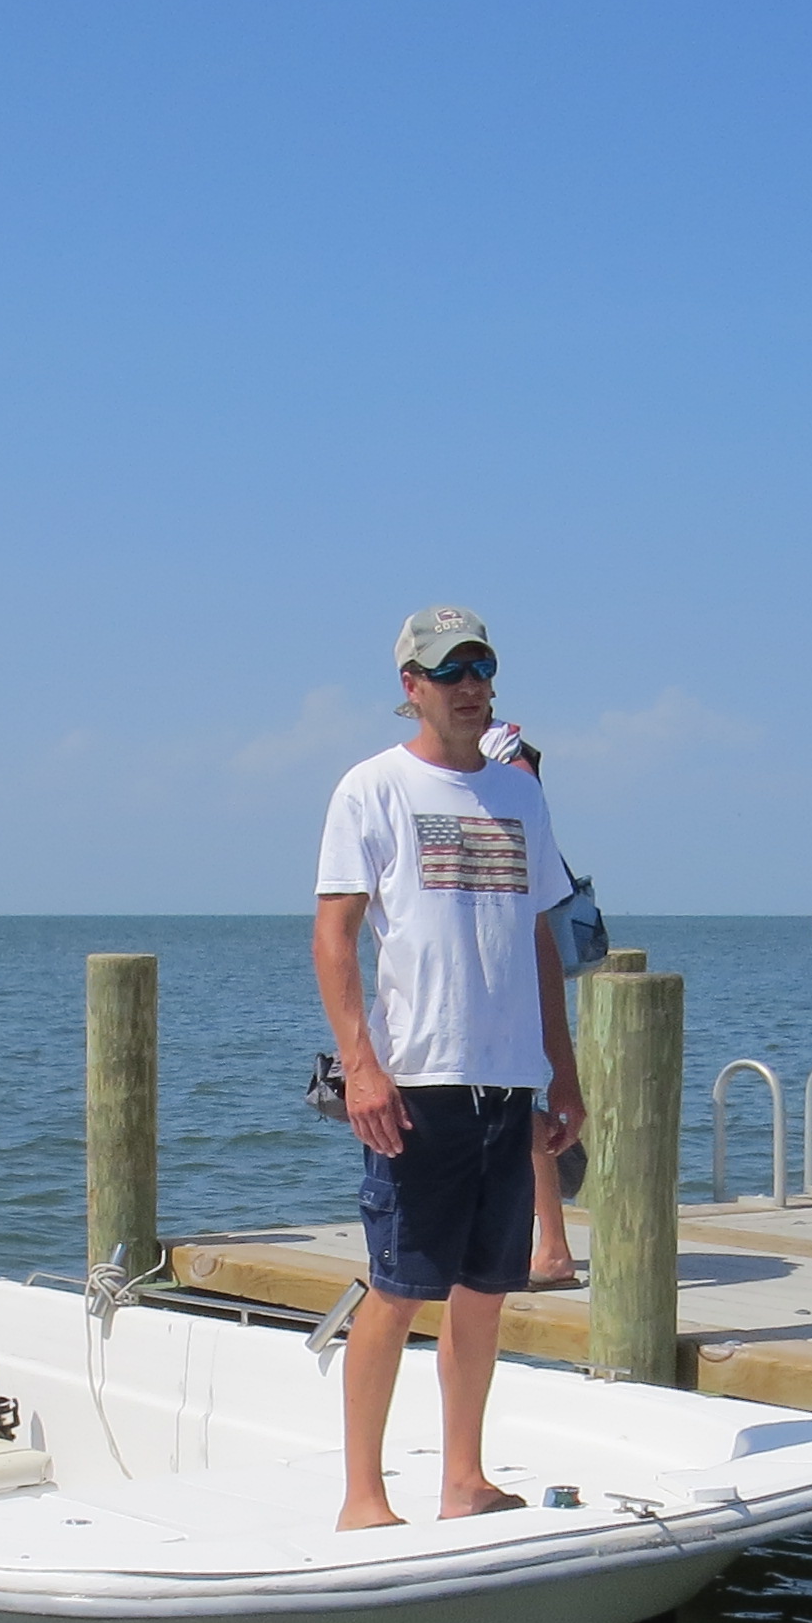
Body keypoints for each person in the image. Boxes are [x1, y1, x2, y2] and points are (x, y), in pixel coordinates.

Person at [314, 604, 586, 1529]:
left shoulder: (521, 795)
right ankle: (363, 1495)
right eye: (449, 671)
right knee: (396, 1290)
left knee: (484, 1293)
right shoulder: (371, 789)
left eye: (481, 669)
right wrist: (362, 1065)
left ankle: (462, 1479)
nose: (470, 686)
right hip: (417, 1084)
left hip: (507, 1084)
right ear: (412, 687)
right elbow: (335, 937)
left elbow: (542, 940)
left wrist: (564, 1069)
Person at [483, 718, 587, 1291]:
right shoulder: (511, 765)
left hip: (515, 968)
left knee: (519, 1110)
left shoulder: (504, 763)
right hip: (512, 965)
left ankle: (551, 1248)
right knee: (514, 1109)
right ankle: (541, 1244)